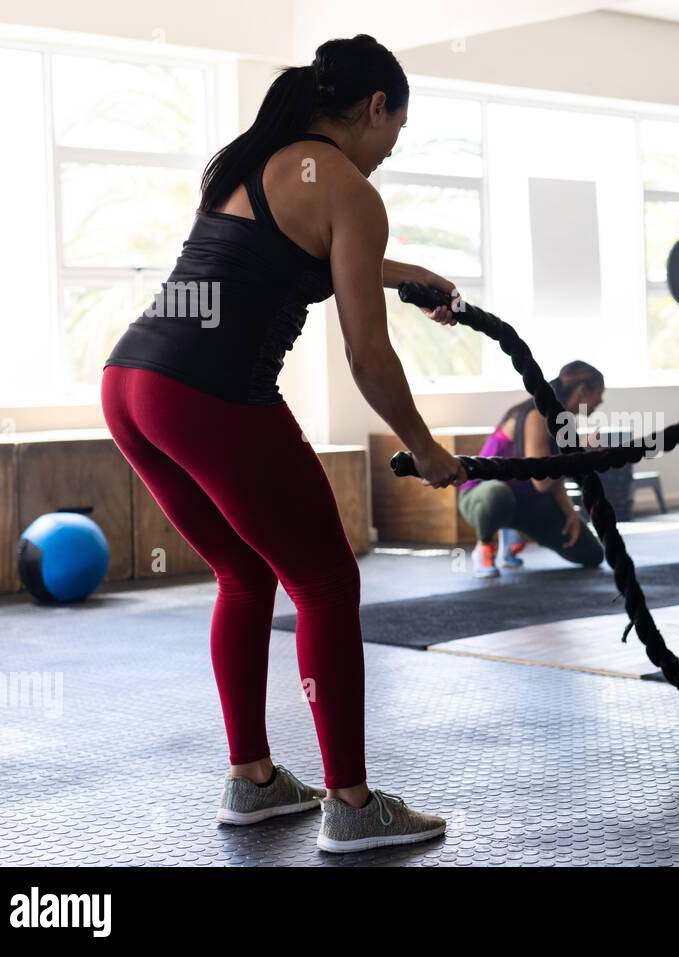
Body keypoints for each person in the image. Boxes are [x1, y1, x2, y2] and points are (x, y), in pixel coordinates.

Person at [100, 35, 466, 853]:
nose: (386, 157)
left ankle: (254, 780)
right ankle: (351, 803)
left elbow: (293, 259)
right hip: (208, 394)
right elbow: (367, 356)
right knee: (328, 581)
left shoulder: (255, 161)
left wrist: (403, 273)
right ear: (375, 108)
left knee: (244, 570)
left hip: (132, 383)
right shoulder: (349, 190)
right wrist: (426, 447)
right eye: (394, 135)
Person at [459, 361, 607, 577]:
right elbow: (542, 479)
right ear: (583, 391)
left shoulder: (565, 422)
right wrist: (582, 451)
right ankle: (485, 547)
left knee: (591, 553)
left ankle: (514, 533)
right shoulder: (537, 415)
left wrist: (570, 513)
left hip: (527, 501)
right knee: (498, 495)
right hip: (482, 495)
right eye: (599, 395)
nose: (600, 401)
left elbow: (554, 473)